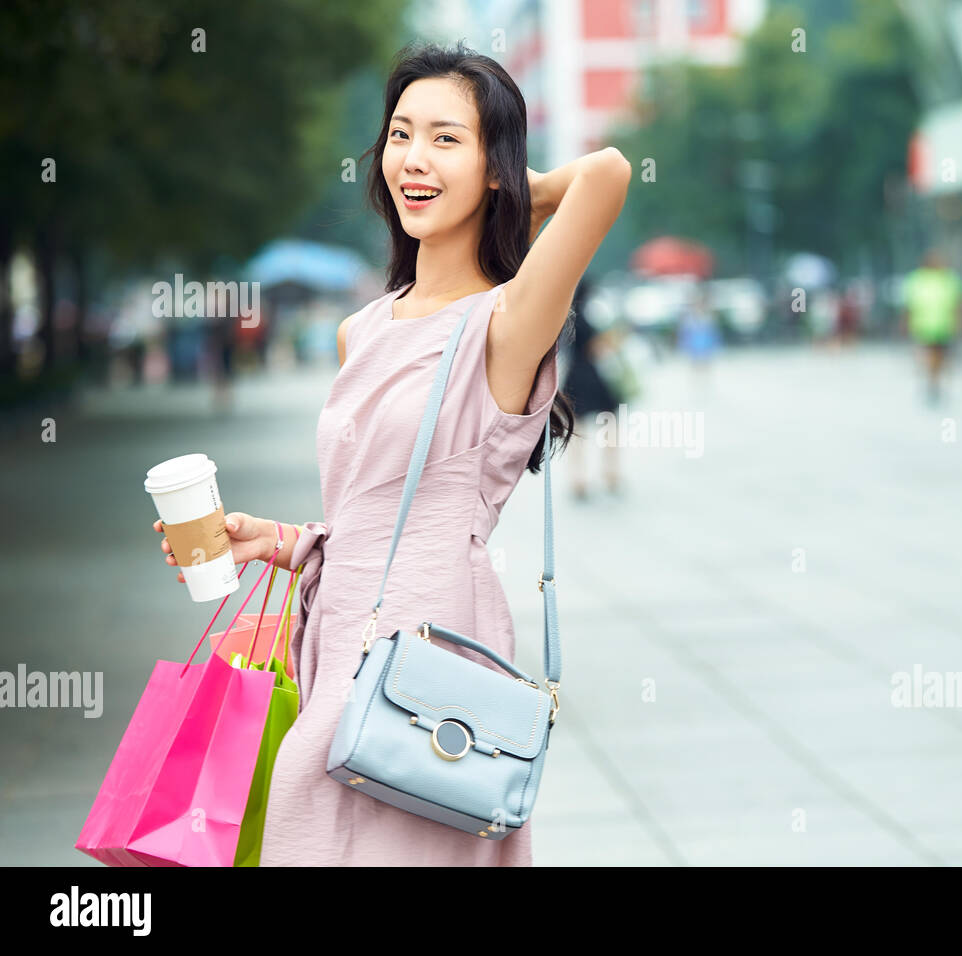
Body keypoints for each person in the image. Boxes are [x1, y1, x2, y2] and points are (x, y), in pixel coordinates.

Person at [153, 40, 630, 865]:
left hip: (428, 652)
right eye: (401, 134)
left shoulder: (506, 324)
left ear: (494, 166)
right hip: (341, 632)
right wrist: (277, 540)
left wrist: (515, 192)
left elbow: (610, 172)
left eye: (447, 139)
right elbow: (372, 507)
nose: (413, 158)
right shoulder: (362, 329)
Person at [560, 276, 623, 500]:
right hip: (593, 377)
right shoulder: (588, 318)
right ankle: (611, 473)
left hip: (573, 378)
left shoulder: (563, 317)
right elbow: (597, 350)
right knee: (610, 425)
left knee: (577, 432)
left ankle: (578, 479)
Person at [902, 249, 962, 404]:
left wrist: (960, 322)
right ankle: (931, 382)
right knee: (928, 356)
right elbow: (908, 305)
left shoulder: (949, 279)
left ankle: (935, 382)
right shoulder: (916, 279)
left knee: (941, 357)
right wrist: (905, 323)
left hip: (943, 325)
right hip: (923, 325)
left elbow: (959, 304)